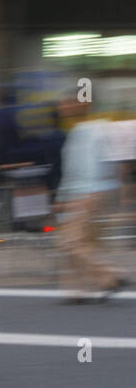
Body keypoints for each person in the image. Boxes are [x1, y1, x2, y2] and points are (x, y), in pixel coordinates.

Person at [54, 98, 130, 302]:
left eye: (67, 104)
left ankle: (111, 275)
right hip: (99, 192)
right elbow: (117, 164)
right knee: (87, 243)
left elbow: (80, 168)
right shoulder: (101, 128)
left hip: (84, 193)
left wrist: (66, 197)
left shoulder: (84, 132)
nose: (62, 108)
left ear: (81, 105)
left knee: (71, 243)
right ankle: (76, 290)